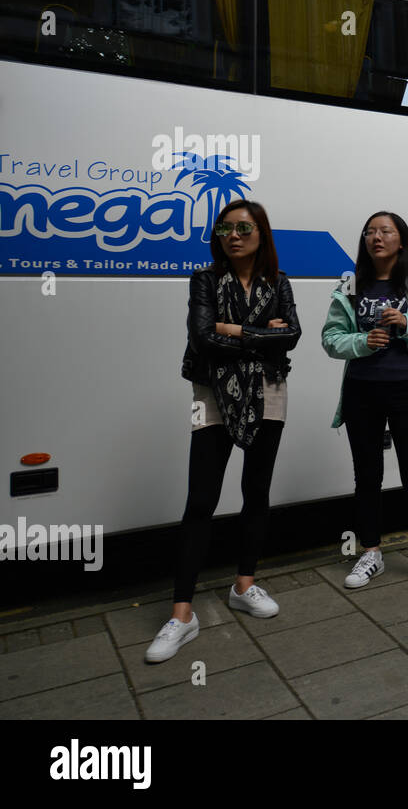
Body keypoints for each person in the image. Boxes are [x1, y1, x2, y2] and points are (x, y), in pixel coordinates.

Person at [146, 200, 301, 663]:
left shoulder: (279, 282)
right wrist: (260, 334)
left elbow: (291, 335)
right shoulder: (205, 280)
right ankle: (182, 614)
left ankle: (244, 585)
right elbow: (201, 338)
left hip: (270, 391)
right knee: (201, 500)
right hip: (211, 392)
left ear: (261, 233)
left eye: (244, 227)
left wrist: (234, 327)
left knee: (256, 491)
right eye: (225, 228)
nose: (233, 235)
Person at [322, 211, 408, 590]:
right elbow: (331, 338)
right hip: (361, 392)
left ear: (402, 241)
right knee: (367, 477)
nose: (376, 237)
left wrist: (407, 324)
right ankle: (371, 554)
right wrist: (362, 342)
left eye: (385, 231)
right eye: (369, 232)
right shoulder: (351, 284)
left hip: (407, 390)